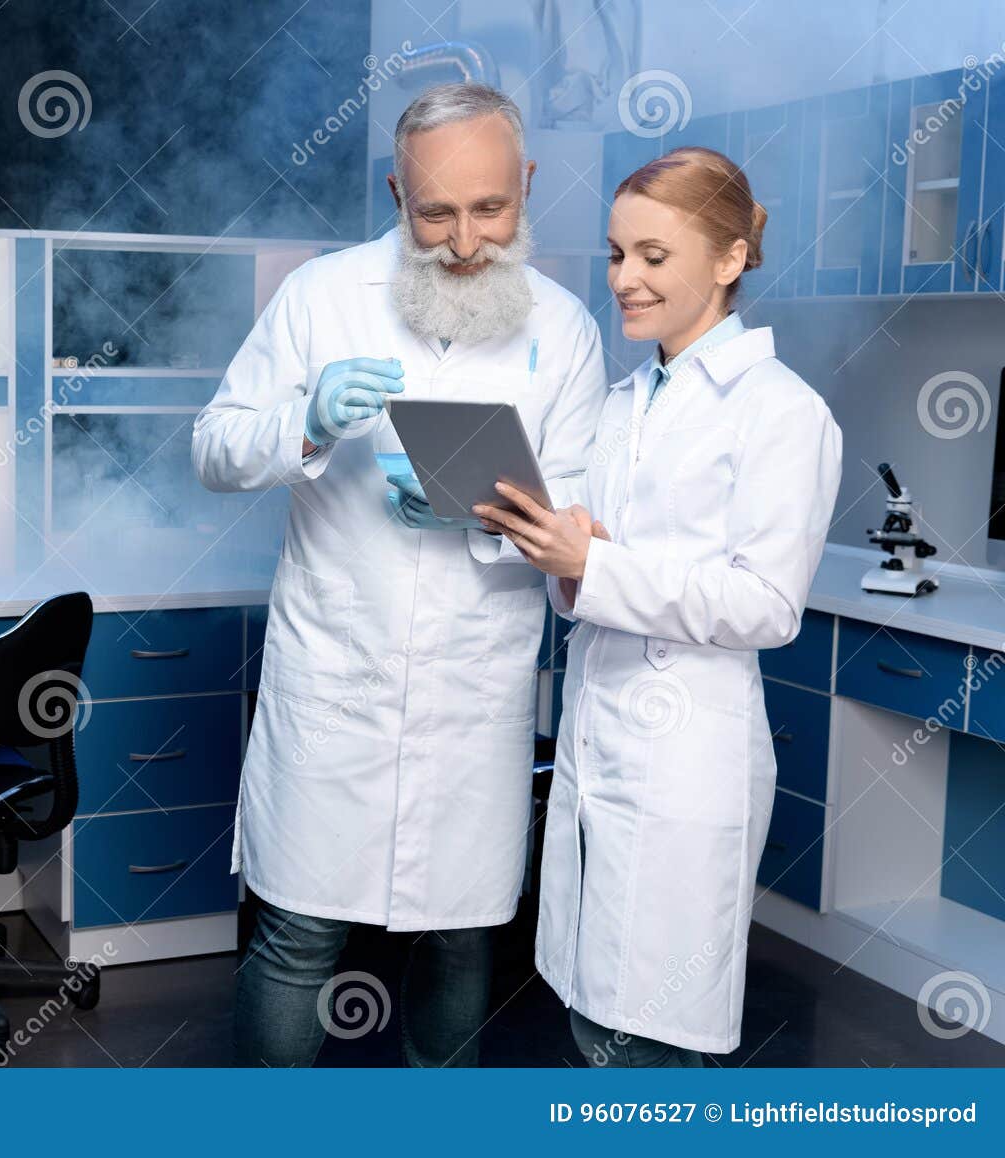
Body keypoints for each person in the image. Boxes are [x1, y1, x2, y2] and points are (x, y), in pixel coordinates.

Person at [192, 82, 606, 1067]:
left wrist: (491, 518)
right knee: (299, 934)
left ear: (527, 183)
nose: (465, 240)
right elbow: (212, 450)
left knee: (461, 936)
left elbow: (581, 519)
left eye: (490, 208)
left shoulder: (567, 327)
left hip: (474, 686)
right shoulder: (321, 298)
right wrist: (307, 420)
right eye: (435, 213)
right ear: (394, 193)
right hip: (335, 680)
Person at [473, 146, 843, 1066]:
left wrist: (594, 563)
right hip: (602, 749)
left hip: (687, 766)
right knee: (592, 1021)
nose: (623, 280)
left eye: (652, 256)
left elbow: (766, 607)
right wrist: (556, 555)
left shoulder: (782, 412)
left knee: (646, 1041)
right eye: (614, 254)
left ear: (727, 261)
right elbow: (592, 582)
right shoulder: (623, 401)